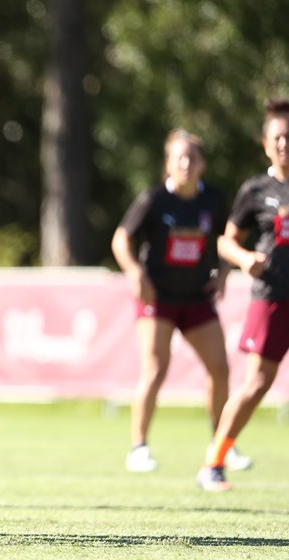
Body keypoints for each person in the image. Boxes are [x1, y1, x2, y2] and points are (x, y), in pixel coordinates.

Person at [111, 129, 252, 474]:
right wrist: (135, 273)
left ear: (202, 163)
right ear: (169, 164)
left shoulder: (213, 201)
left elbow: (227, 239)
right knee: (155, 368)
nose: (186, 164)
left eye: (192, 157)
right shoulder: (154, 200)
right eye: (179, 158)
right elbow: (120, 239)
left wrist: (223, 272)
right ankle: (139, 448)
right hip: (157, 298)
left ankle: (221, 444)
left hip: (196, 298)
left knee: (220, 369)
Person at [197, 98, 289, 491]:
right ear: (265, 143)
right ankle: (213, 463)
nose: (285, 143)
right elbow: (225, 242)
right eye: (279, 137)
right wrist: (244, 258)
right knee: (256, 385)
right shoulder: (256, 190)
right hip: (273, 296)